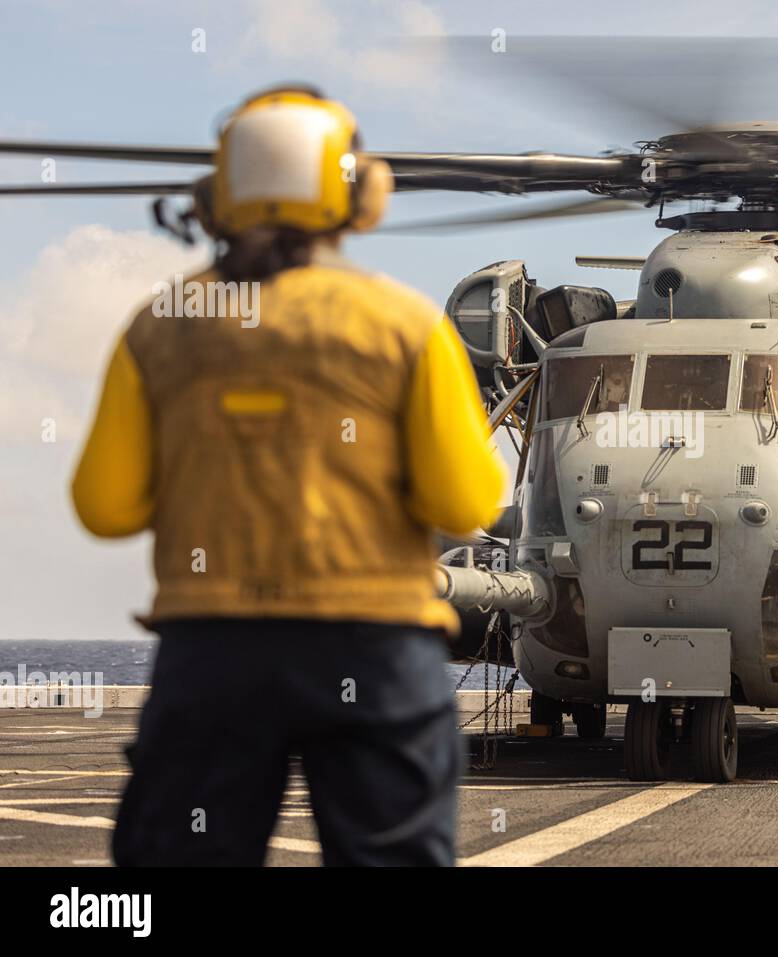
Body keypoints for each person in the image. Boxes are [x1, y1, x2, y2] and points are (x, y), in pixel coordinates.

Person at [71, 86, 505, 865]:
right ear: (360, 196)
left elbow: (105, 507)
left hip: (213, 654)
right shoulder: (404, 326)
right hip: (376, 653)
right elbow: (468, 502)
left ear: (215, 198)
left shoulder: (160, 326)